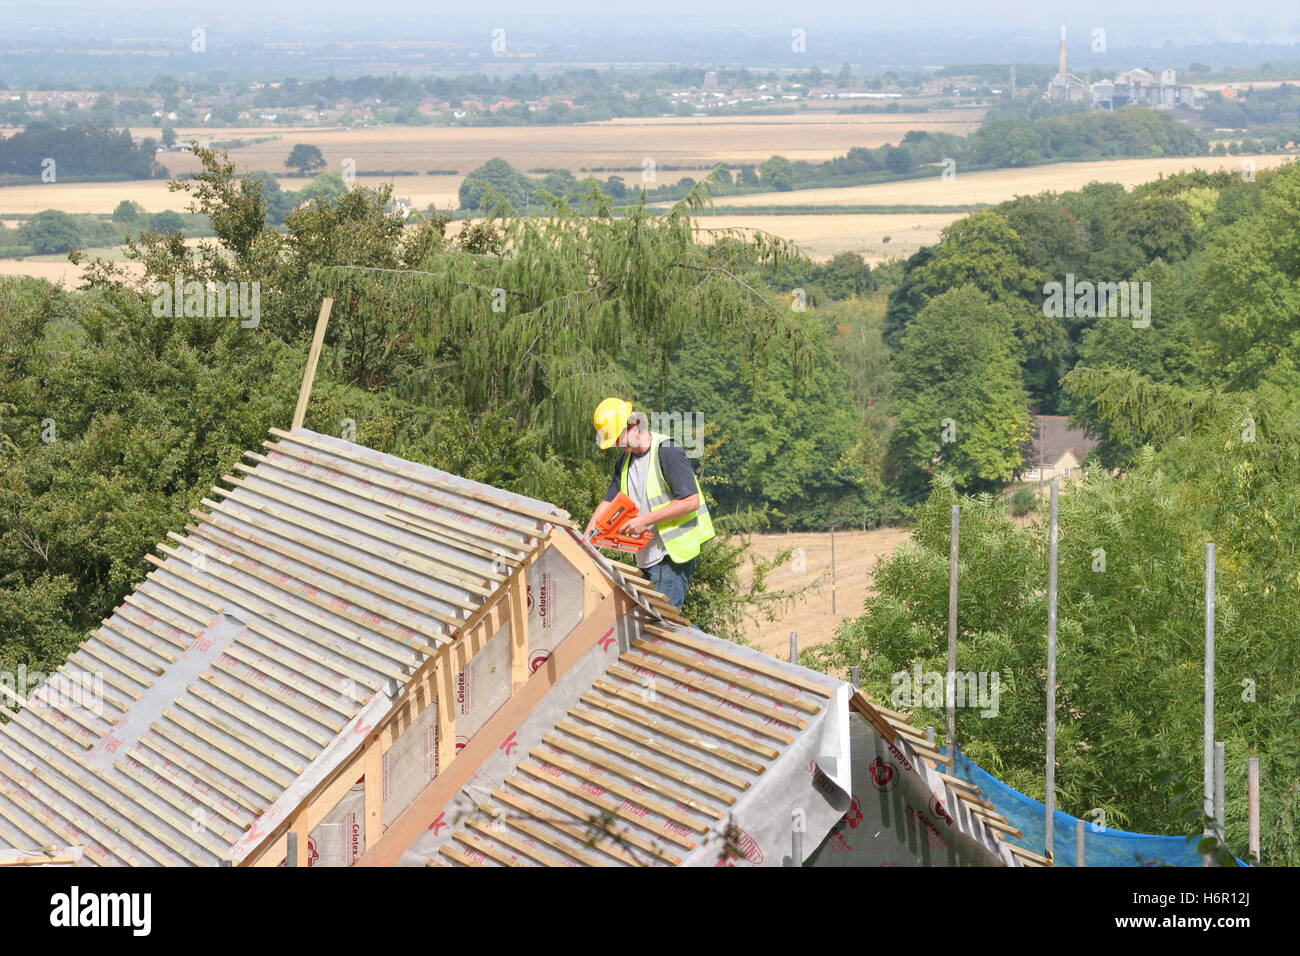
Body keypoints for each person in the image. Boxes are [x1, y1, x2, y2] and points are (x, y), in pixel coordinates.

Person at [584, 398, 714, 610]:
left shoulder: (668, 450)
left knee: (663, 624)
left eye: (618, 437)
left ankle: (709, 645)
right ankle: (706, 644)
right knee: (656, 624)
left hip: (670, 555)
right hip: (645, 555)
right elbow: (608, 502)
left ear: (633, 425)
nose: (617, 444)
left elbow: (691, 502)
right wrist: (586, 541)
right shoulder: (624, 462)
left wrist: (644, 520)